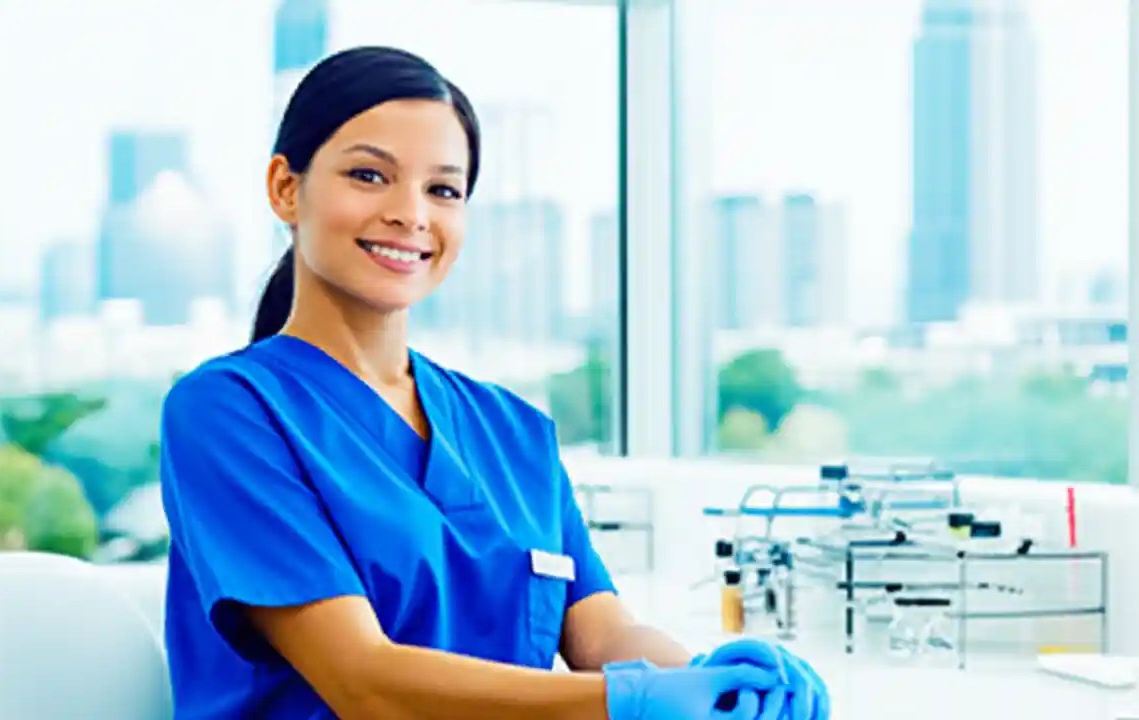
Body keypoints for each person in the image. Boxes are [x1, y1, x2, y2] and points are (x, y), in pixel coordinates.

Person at [158, 45, 830, 719]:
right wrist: (630, 701)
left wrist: (716, 679)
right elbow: (363, 681)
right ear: (285, 187)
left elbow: (605, 635)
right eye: (369, 175)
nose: (410, 213)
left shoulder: (511, 431)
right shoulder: (229, 413)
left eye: (443, 190)